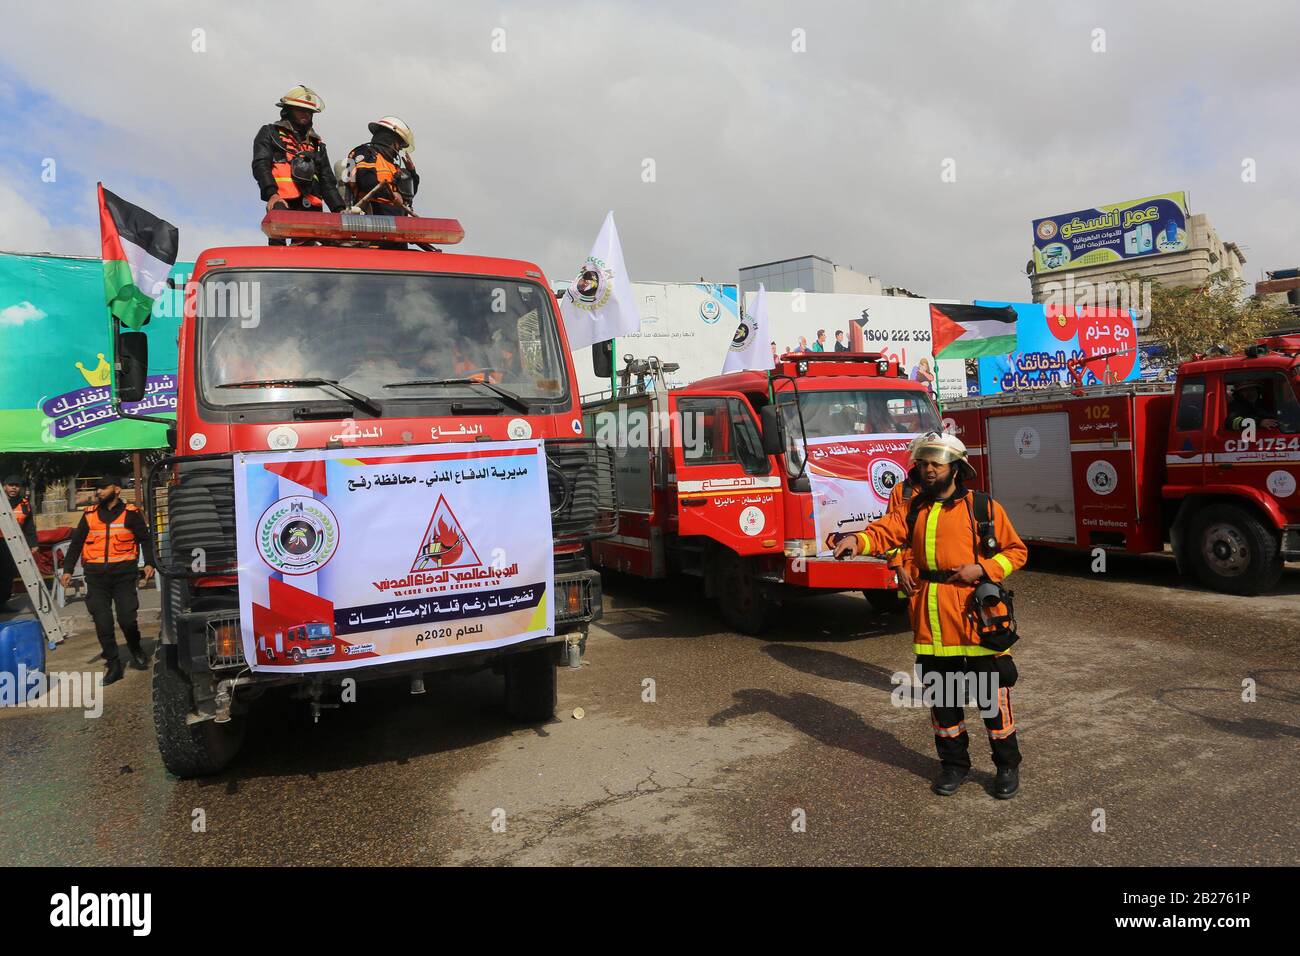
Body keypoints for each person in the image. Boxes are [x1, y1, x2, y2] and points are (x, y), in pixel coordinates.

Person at [831, 433, 1028, 799]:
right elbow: (883, 532)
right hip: (930, 621)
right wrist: (856, 541)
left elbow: (1016, 552)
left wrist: (983, 570)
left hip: (977, 622)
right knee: (944, 705)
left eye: (936, 463)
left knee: (992, 702)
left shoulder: (983, 507)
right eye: (923, 463)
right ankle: (954, 766)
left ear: (955, 467)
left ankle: (1006, 767)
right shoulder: (913, 508)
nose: (928, 469)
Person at [60, 476, 155, 685]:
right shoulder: (89, 515)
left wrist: (149, 563)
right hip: (95, 578)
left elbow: (145, 539)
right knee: (103, 623)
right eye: (98, 489)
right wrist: (67, 570)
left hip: (124, 577)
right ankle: (113, 664)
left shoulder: (131, 514)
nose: (99, 492)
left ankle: (135, 646)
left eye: (103, 488)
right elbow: (76, 544)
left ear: (117, 490)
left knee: (127, 619)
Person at [251, 85, 346, 242]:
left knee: (313, 255)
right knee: (278, 250)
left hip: (311, 207)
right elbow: (261, 165)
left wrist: (340, 209)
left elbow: (327, 181)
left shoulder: (317, 144)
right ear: (288, 109)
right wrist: (272, 195)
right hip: (282, 202)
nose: (306, 114)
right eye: (300, 109)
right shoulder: (270, 133)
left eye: (309, 111)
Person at [345, 116, 418, 216]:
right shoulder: (364, 153)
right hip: (371, 217)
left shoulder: (394, 168)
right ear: (389, 139)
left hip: (397, 221)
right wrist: (392, 195)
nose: (400, 149)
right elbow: (366, 181)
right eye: (399, 144)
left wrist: (412, 172)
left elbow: (409, 195)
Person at [0, 475, 38, 610]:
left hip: (13, 544)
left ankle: (2, 602)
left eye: (16, 485)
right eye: (11, 485)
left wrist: (33, 543)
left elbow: (29, 527)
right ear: (4, 486)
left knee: (8, 574)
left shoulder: (24, 504)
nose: (14, 488)